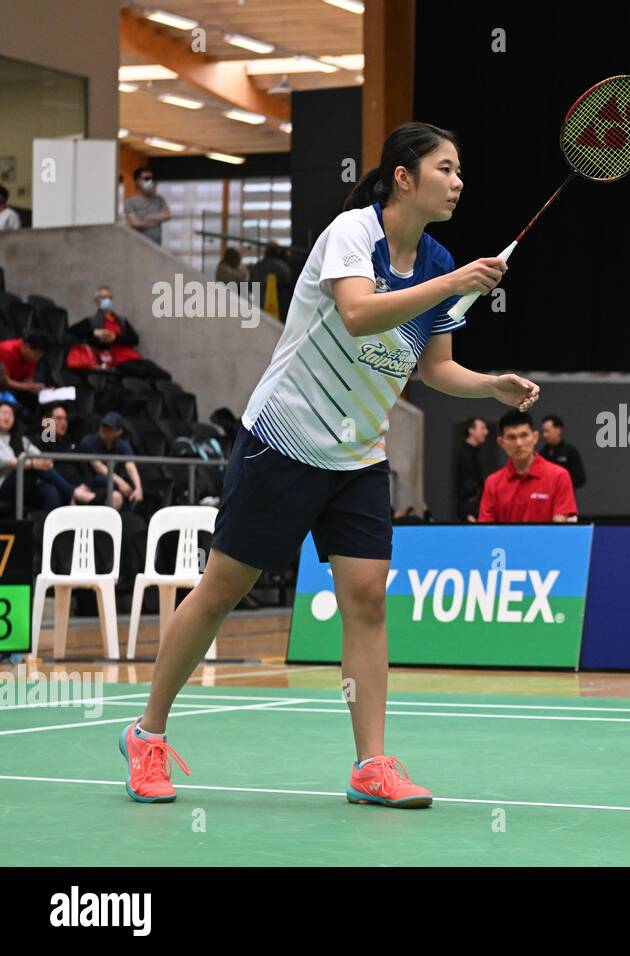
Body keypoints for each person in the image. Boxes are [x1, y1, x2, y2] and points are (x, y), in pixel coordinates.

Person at [120, 122, 536, 809]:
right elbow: (357, 314)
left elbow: (434, 369)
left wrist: (490, 385)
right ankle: (147, 734)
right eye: (445, 168)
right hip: (284, 440)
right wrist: (455, 283)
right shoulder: (353, 232)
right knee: (223, 589)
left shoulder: (437, 260)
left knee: (367, 600)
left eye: (461, 171)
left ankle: (371, 764)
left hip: (358, 453)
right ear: (403, 177)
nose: (458, 182)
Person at [478, 411, 578, 523]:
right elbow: (486, 528)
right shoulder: (492, 483)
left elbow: (560, 529)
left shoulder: (559, 476)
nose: (519, 443)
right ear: (501, 443)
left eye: (524, 435)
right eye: (511, 437)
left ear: (535, 437)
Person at [68, 286, 170, 381]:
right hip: (117, 362)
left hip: (135, 358)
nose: (107, 300)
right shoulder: (92, 322)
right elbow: (72, 330)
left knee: (164, 376)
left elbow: (134, 339)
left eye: (109, 298)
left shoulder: (121, 321)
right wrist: (95, 332)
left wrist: (114, 338)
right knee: (142, 375)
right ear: (96, 300)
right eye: (104, 297)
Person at [0, 400, 81, 513]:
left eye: (11, 414)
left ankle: (53, 523)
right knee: (32, 467)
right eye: (4, 413)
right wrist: (34, 464)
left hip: (29, 485)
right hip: (5, 486)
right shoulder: (42, 438)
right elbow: (10, 461)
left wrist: (43, 462)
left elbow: (42, 458)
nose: (8, 417)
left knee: (50, 491)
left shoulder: (21, 439)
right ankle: (72, 492)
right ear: (46, 420)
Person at [75, 411, 137, 511]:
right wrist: (121, 482)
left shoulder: (121, 444)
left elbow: (130, 465)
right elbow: (98, 466)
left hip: (110, 487)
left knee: (123, 496)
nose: (104, 429)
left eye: (109, 427)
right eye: (103, 425)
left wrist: (138, 488)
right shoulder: (88, 441)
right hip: (90, 486)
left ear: (118, 432)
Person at [123, 168, 171, 244]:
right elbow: (135, 223)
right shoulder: (130, 201)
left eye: (152, 179)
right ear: (137, 181)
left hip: (156, 245)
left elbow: (167, 215)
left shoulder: (159, 199)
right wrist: (156, 222)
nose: (150, 181)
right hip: (138, 245)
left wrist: (151, 217)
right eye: (147, 179)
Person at [538, 414, 586, 489]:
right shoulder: (541, 454)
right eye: (543, 431)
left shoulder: (570, 452)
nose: (545, 435)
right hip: (544, 494)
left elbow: (580, 478)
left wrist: (561, 484)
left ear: (558, 430)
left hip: (564, 494)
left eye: (547, 431)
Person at [455, 416, 488, 521]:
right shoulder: (465, 454)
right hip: (470, 510)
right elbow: (467, 485)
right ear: (471, 431)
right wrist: (468, 512)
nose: (486, 432)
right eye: (482, 428)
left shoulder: (474, 452)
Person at [0, 332, 51, 398]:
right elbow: (4, 381)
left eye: (39, 357)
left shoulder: (30, 357)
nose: (36, 359)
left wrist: (40, 389)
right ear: (26, 346)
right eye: (36, 354)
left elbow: (27, 378)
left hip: (15, 385)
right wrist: (28, 387)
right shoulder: (7, 351)